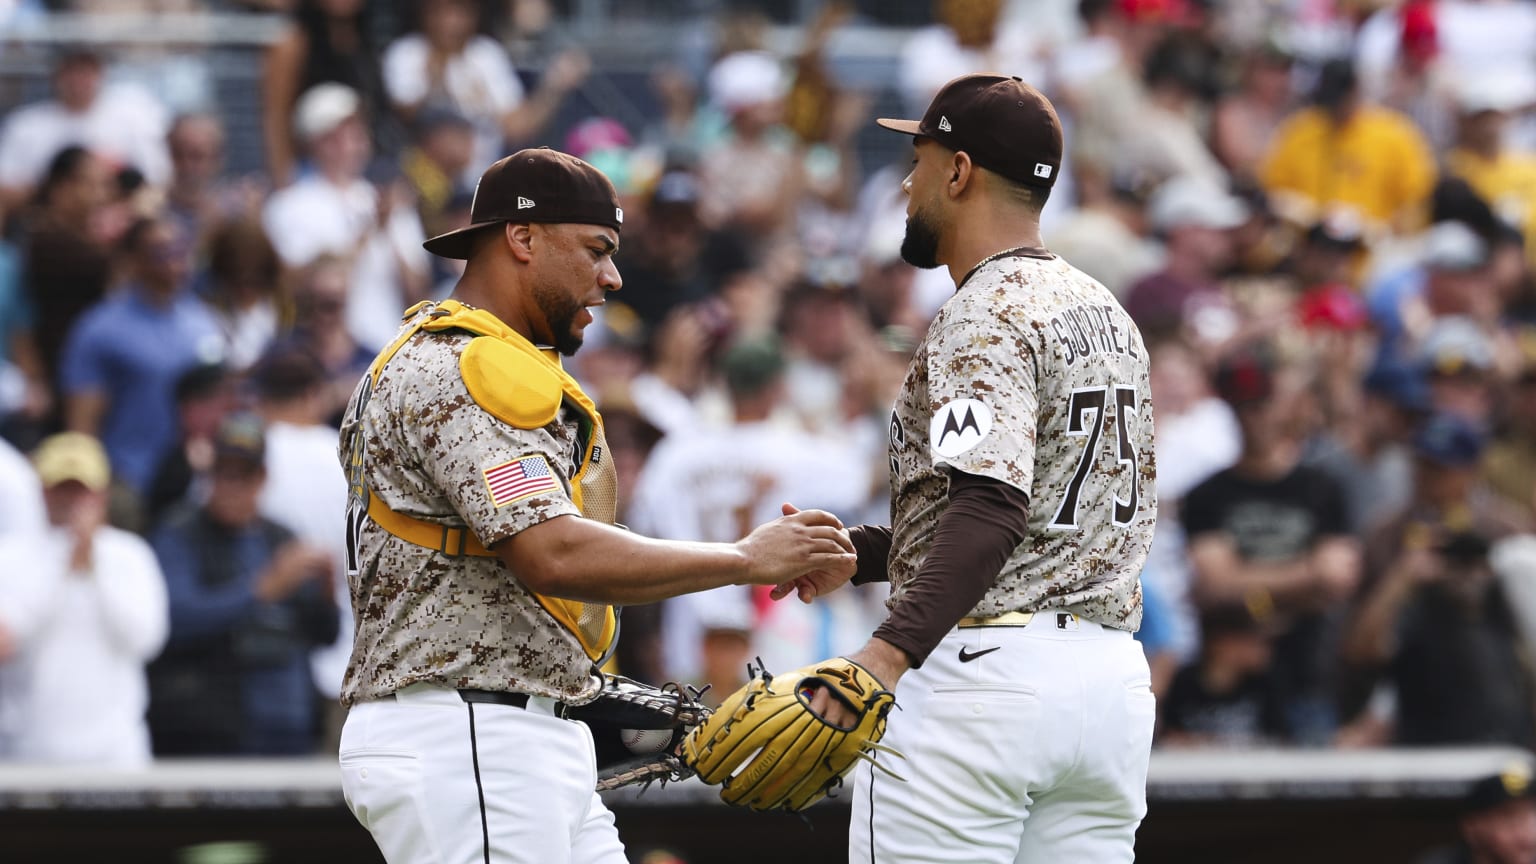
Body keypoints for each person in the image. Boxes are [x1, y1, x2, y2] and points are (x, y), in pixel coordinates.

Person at [335, 147, 856, 864]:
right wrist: (744, 559)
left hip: (503, 729)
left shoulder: (478, 361)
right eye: (596, 251)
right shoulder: (464, 366)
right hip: (470, 734)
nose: (612, 277)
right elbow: (552, 550)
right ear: (523, 239)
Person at [775, 75, 1158, 863]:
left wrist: (882, 656)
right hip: (1109, 686)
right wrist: (868, 554)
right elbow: (1038, 504)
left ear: (959, 172)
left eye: (919, 160)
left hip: (982, 679)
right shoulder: (1103, 307)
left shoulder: (983, 313)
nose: (909, 184)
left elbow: (990, 508)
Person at [148, 413, 338, 756]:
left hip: (288, 722)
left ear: (262, 478)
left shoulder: (280, 537)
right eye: (223, 473)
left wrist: (326, 593)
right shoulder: (178, 533)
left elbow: (326, 635)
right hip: (209, 726)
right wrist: (261, 589)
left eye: (244, 475)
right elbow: (174, 618)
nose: (232, 486)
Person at [0, 433, 168, 765]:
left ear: (102, 493)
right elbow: (9, 641)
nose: (71, 499)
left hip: (116, 755)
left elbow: (146, 641)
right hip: (28, 754)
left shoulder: (130, 555)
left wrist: (94, 566)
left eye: (82, 489)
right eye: (61, 487)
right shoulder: (9, 557)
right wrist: (64, 565)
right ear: (42, 489)